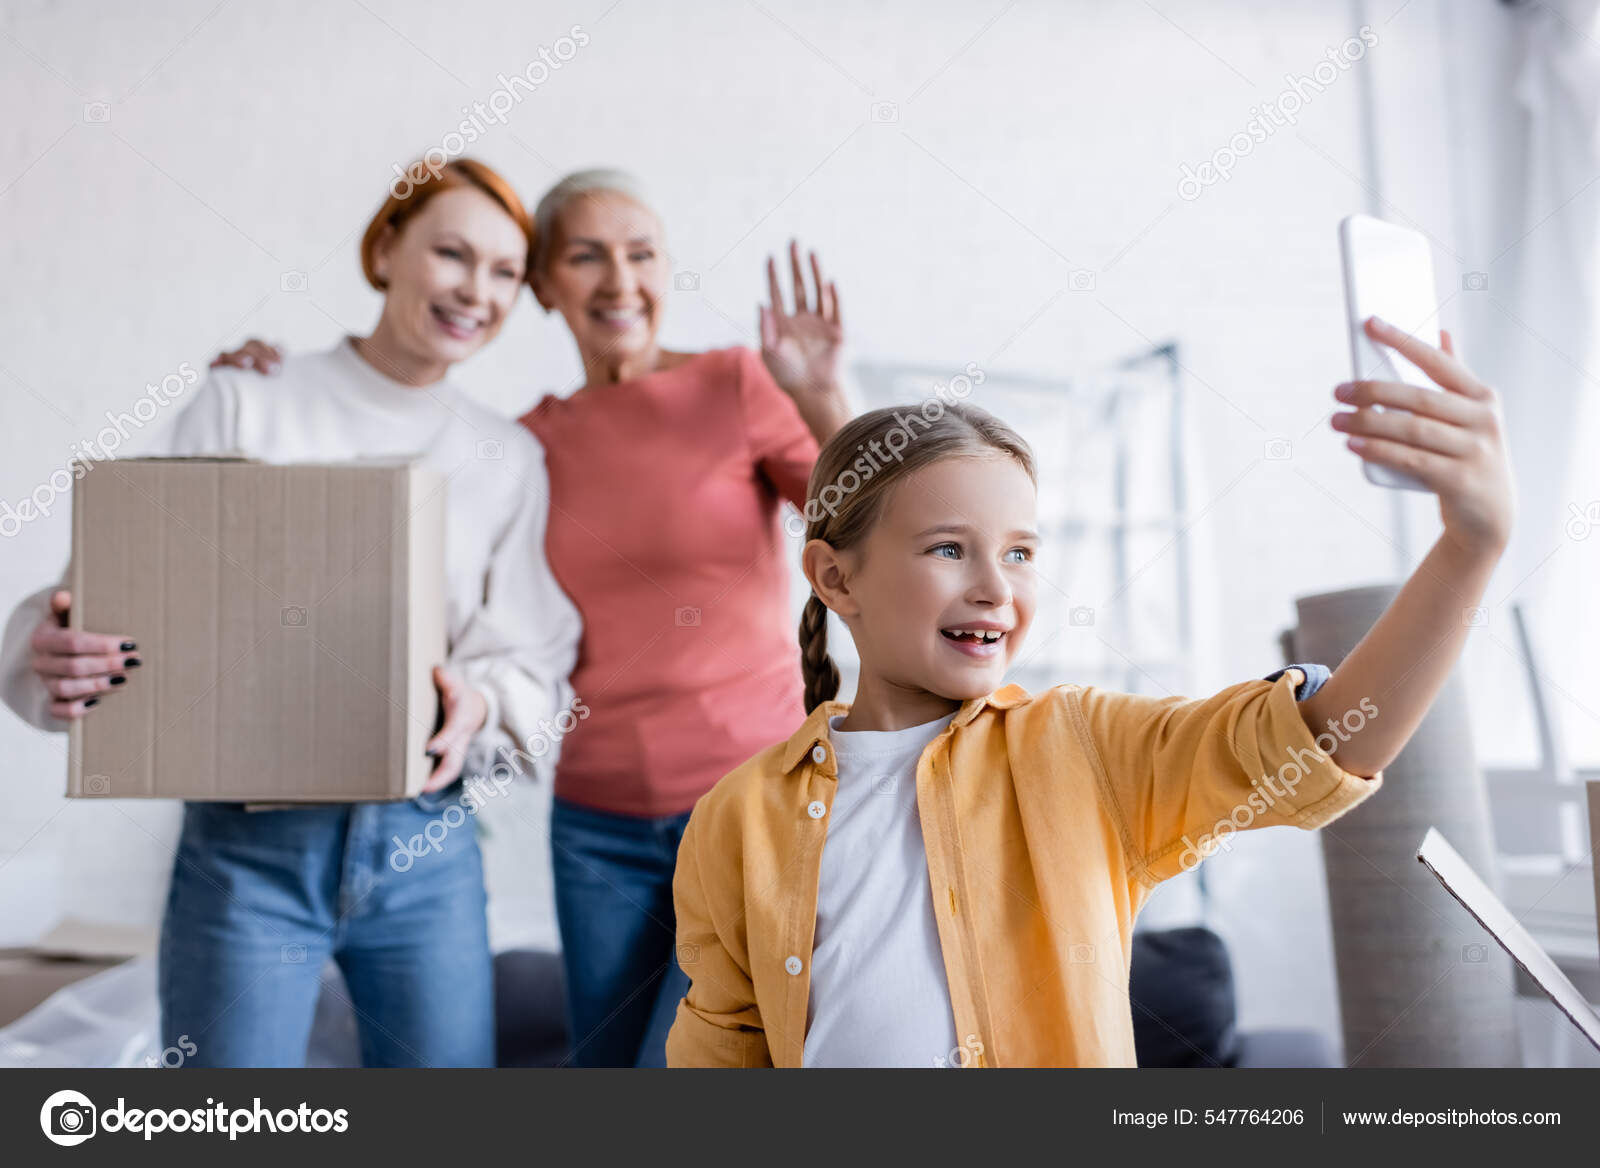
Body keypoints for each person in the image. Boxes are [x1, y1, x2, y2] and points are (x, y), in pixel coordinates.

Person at [664, 317, 1515, 1067]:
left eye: (1022, 552)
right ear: (835, 579)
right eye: (949, 549)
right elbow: (722, 1057)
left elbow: (1323, 744)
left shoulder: (1081, 749)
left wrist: (1470, 546)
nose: (999, 587)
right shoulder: (735, 820)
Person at [211, 168, 852, 1067]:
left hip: (749, 804)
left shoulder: (737, 386)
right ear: (543, 288)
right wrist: (268, 385)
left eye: (641, 254)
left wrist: (821, 394)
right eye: (586, 257)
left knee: (690, 1067)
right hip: (597, 824)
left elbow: (868, 526)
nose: (619, 280)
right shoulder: (520, 446)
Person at [0, 158, 581, 1067]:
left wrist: (477, 702)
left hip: (424, 846)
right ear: (386, 248)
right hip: (245, 852)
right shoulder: (248, 399)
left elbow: (534, 659)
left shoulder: (507, 458)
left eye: (506, 271)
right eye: (452, 253)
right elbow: (102, 597)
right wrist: (47, 652)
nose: (478, 290)